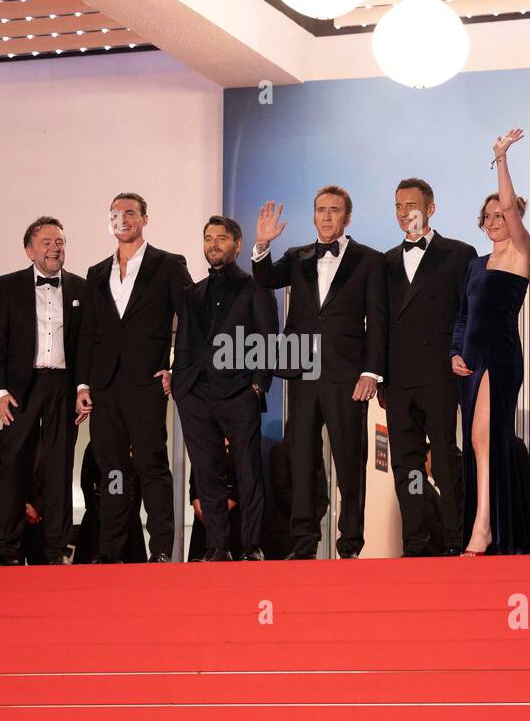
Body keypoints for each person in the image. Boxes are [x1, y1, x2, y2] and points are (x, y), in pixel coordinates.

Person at [253, 186, 388, 559]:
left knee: (350, 460)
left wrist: (371, 372)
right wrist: (262, 245)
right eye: (320, 210)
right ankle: (304, 542)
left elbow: (377, 322)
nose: (327, 216)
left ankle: (350, 543)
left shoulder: (369, 260)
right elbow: (265, 279)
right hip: (303, 371)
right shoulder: (297, 258)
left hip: (347, 375)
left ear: (347, 217)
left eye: (334, 210)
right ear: (313, 216)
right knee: (301, 460)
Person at [75, 193, 191, 564]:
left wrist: (176, 367)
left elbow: (191, 322)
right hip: (105, 387)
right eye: (115, 214)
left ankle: (160, 548)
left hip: (147, 383)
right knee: (111, 470)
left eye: (129, 213)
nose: (122, 219)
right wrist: (83, 385)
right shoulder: (96, 273)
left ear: (144, 218)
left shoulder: (169, 265)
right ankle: (112, 550)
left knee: (151, 465)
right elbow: (88, 333)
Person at [450, 129, 530, 556]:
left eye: (500, 214)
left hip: (501, 356)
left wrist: (500, 158)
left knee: (488, 436)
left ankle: (484, 527)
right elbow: (463, 316)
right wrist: (454, 352)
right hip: (470, 361)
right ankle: (484, 523)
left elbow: (510, 206)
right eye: (487, 217)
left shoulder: (520, 251)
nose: (493, 220)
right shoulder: (474, 263)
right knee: (477, 439)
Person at [173, 215, 277, 562]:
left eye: (221, 238)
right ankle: (217, 547)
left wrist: (258, 386)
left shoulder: (255, 287)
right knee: (207, 472)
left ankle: (251, 546)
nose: (213, 244)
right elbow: (186, 342)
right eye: (208, 238)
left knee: (248, 471)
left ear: (237, 244)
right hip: (195, 395)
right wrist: (180, 385)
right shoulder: (192, 293)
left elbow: (268, 339)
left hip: (239, 393)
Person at [0, 216, 86, 566]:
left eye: (59, 241)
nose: (54, 247)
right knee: (14, 464)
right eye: (45, 242)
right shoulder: (8, 284)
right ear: (30, 250)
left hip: (63, 385)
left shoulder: (80, 287)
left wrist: (83, 387)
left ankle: (57, 550)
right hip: (20, 388)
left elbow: (86, 346)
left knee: (60, 467)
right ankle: (6, 550)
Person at [382, 178, 475, 557]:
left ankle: (455, 538)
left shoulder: (459, 253)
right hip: (400, 379)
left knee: (445, 455)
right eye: (399, 206)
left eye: (412, 206)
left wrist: (461, 358)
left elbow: (468, 314)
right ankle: (415, 539)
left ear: (431, 209)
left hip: (440, 375)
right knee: (408, 465)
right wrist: (380, 375)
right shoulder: (384, 261)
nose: (405, 213)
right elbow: (380, 321)